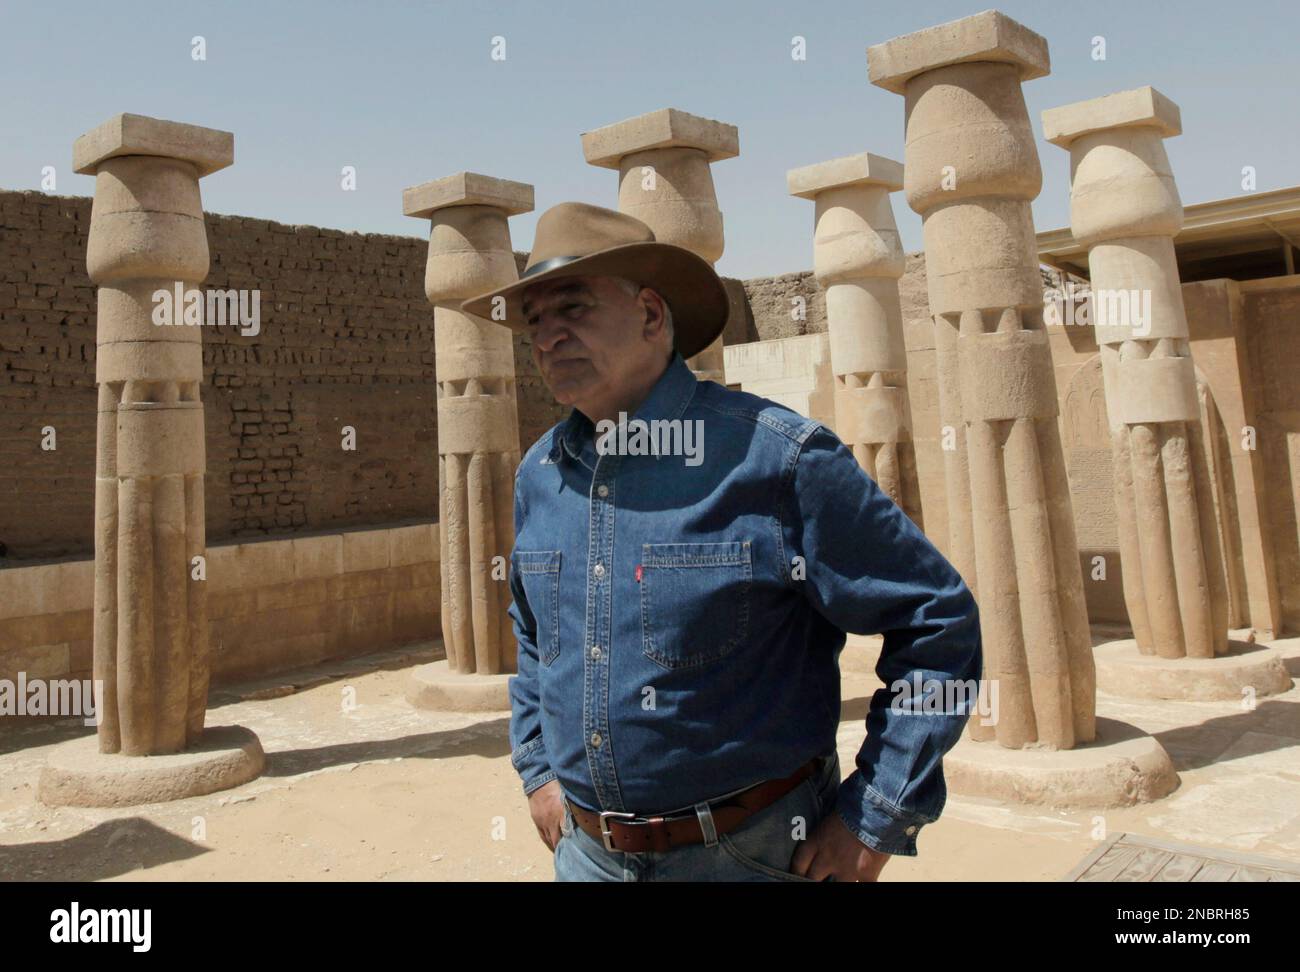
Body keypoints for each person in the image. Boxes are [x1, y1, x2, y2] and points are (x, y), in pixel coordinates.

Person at [460, 201, 981, 882]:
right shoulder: (541, 474)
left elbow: (936, 622)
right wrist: (537, 768)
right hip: (587, 857)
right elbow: (532, 636)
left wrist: (873, 818)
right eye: (535, 323)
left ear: (651, 315)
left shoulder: (777, 460)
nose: (548, 337)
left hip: (750, 854)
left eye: (573, 309)